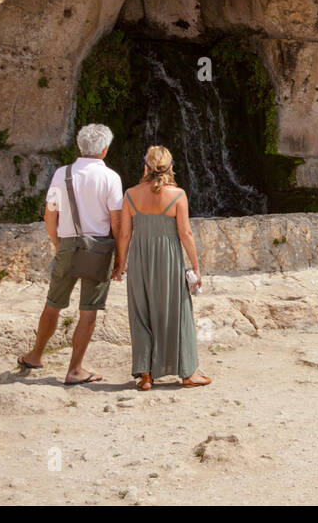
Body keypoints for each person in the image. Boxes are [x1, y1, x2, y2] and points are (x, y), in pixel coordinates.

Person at [17, 123, 123, 385]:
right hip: (99, 247)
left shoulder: (61, 174)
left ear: (80, 146)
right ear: (104, 150)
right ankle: (75, 369)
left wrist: (58, 243)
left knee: (53, 303)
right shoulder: (111, 178)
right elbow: (117, 223)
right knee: (89, 310)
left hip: (68, 243)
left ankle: (36, 355)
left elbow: (49, 213)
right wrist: (121, 257)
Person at [112, 145, 210, 390]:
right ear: (170, 167)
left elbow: (124, 234)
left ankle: (146, 375)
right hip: (168, 258)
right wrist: (196, 266)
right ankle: (188, 373)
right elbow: (185, 233)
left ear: (146, 166)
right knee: (177, 312)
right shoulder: (178, 195)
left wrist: (121, 264)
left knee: (141, 314)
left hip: (139, 260)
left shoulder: (131, 195)